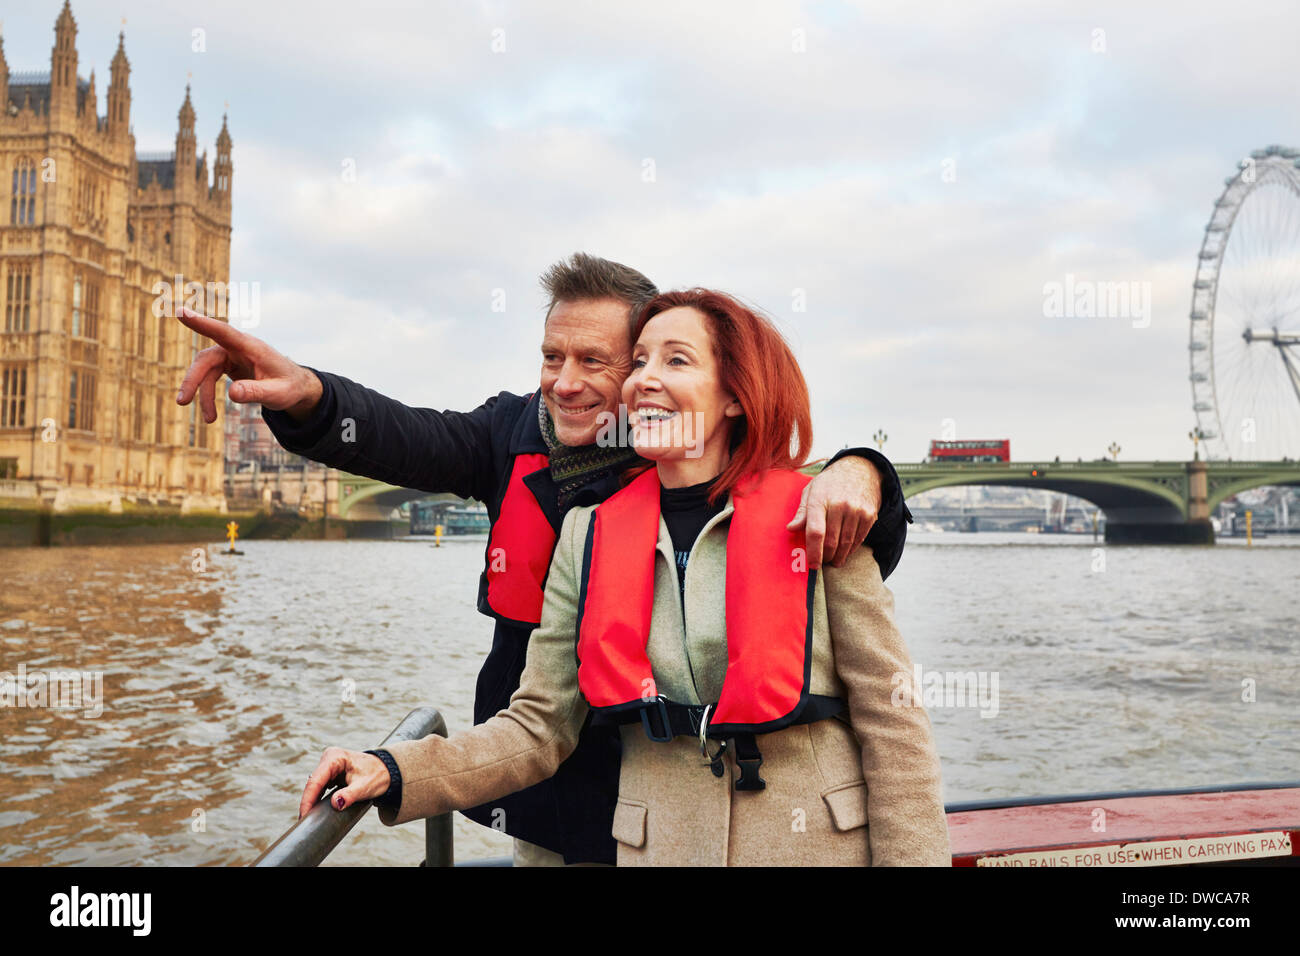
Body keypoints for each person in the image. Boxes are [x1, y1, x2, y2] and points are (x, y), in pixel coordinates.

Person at [175, 254, 914, 865]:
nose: (566, 382)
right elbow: (403, 436)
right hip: (569, 788)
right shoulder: (531, 461)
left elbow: (892, 723)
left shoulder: (793, 504)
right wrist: (309, 396)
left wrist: (867, 469)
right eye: (552, 357)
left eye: (597, 360)